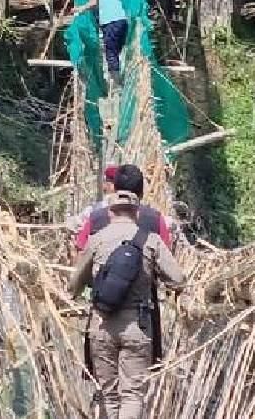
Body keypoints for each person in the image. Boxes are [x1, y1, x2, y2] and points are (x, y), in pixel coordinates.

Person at [69, 165, 185, 419]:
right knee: (132, 394)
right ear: (137, 208)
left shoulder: (95, 231)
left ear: (111, 210)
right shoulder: (153, 229)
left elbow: (73, 283)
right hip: (139, 323)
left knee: (108, 393)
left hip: (101, 323)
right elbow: (178, 279)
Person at [73, 165, 173, 253]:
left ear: (114, 189)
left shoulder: (94, 218)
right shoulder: (156, 220)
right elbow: (166, 256)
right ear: (142, 193)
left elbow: (80, 253)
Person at [73, 0, 129, 75]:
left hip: (110, 23)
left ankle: (116, 87)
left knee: (110, 54)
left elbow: (93, 2)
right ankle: (121, 78)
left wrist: (80, 8)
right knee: (116, 52)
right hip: (122, 21)